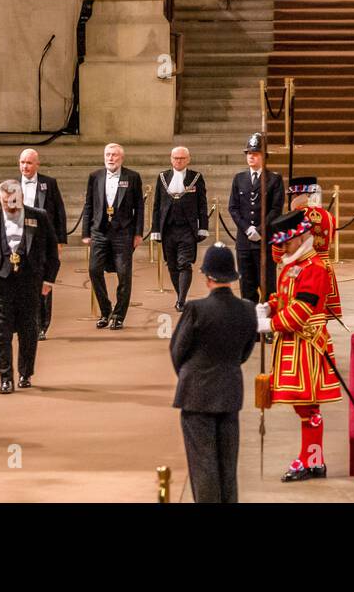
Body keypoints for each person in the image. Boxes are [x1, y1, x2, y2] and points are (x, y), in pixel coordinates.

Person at [257, 209, 342, 482]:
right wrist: (268, 307)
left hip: (307, 344)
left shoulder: (314, 268)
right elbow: (283, 296)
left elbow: (301, 310)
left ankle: (312, 460)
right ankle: (312, 459)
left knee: (308, 406)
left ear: (300, 238)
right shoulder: (294, 264)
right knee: (304, 407)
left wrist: (271, 324)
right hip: (293, 343)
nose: (281, 249)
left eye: (285, 243)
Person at [170, 243, 257, 503]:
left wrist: (189, 375)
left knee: (203, 465)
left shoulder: (196, 310)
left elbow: (177, 350)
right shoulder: (247, 310)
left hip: (196, 394)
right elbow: (245, 352)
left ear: (208, 277)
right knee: (227, 466)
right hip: (230, 391)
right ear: (233, 277)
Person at [0, 181, 60, 392]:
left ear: (21, 197)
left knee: (28, 329)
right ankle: (5, 377)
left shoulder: (38, 216)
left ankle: (25, 373)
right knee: (0, 332)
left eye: (14, 201)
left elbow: (52, 251)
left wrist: (48, 280)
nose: (10, 205)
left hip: (29, 281)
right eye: (6, 202)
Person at [82, 143, 145, 330]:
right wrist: (86, 232)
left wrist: (138, 233)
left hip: (123, 233)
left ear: (121, 158)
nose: (110, 158)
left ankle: (118, 315)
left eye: (114, 155)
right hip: (99, 231)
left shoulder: (132, 177)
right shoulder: (95, 176)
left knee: (124, 275)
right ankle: (105, 310)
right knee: (94, 270)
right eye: (108, 154)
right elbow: (88, 205)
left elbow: (139, 207)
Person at [151, 146, 209, 312]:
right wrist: (156, 229)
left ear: (188, 159)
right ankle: (180, 295)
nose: (179, 161)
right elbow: (157, 206)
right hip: (168, 229)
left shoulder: (196, 178)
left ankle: (181, 300)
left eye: (182, 158)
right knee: (172, 265)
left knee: (184, 264)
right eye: (176, 158)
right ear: (171, 159)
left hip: (187, 230)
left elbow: (202, 204)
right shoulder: (162, 177)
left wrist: (202, 227)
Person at [17, 149, 68, 339]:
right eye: (22, 162)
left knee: (43, 282)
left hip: (44, 240)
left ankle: (42, 325)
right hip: (20, 241)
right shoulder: (12, 185)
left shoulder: (49, 183)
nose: (25, 166)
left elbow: (59, 212)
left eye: (29, 163)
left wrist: (60, 241)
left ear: (37, 164)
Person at [228, 133, 284, 303]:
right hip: (244, 243)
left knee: (267, 287)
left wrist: (260, 230)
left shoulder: (274, 180)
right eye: (249, 153)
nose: (251, 157)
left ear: (263, 156)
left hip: (264, 241)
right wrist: (247, 228)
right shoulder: (239, 179)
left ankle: (268, 325)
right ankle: (250, 325)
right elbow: (233, 208)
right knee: (246, 286)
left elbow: (275, 210)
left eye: (255, 153)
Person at [281, 177, 342, 322]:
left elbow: (285, 247)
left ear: (296, 196)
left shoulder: (294, 217)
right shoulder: (328, 216)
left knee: (302, 309)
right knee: (322, 310)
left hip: (304, 267)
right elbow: (331, 239)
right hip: (325, 264)